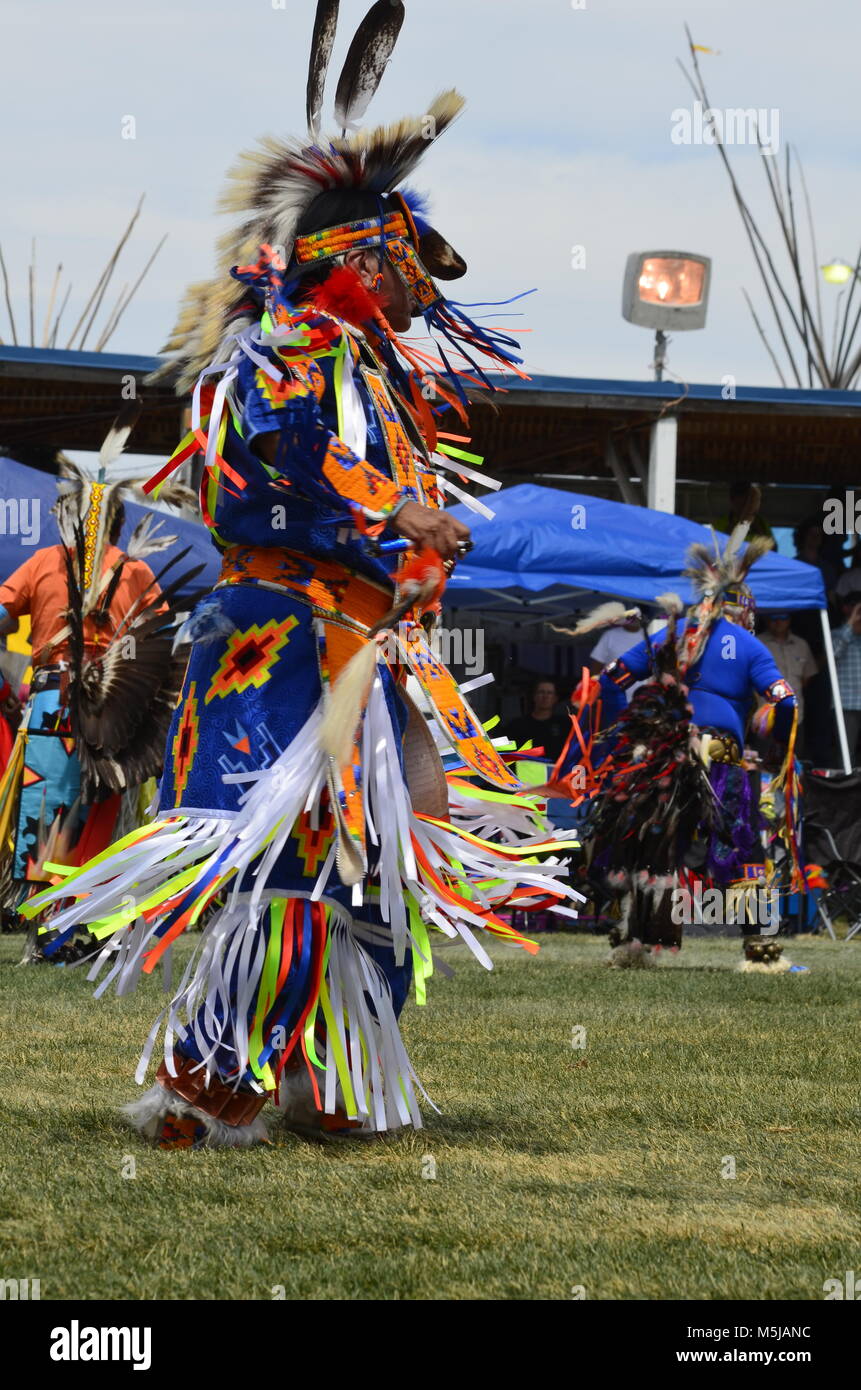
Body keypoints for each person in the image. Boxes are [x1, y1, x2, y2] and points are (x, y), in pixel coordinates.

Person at [24, 2, 576, 1149]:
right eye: (413, 264)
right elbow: (264, 479)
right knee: (287, 862)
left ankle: (332, 1077)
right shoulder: (284, 360)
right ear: (360, 255)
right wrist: (395, 507)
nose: (431, 290)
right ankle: (206, 1076)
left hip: (356, 658)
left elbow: (362, 510)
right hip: (280, 654)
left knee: (372, 869)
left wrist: (412, 555)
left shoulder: (373, 379)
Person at [552, 523, 802, 972]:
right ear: (744, 611)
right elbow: (787, 700)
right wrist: (777, 744)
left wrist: (614, 740)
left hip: (659, 759)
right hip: (720, 760)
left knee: (651, 841)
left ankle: (636, 943)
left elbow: (610, 679)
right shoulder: (749, 645)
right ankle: (760, 952)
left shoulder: (671, 633)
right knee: (740, 844)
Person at [0, 429, 192, 957]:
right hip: (113, 712)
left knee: (47, 810)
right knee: (97, 813)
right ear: (116, 522)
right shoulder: (134, 570)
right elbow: (160, 640)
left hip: (52, 705)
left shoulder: (42, 564)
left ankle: (53, 929)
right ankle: (75, 926)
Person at [758, 612, 817, 730]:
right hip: (766, 716)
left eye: (783, 617)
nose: (778, 622)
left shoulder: (801, 644)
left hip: (796, 715)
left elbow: (807, 677)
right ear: (767, 620)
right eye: (774, 617)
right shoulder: (757, 643)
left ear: (789, 619)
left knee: (795, 748)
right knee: (764, 748)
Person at [507, 677, 568, 763]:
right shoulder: (517, 725)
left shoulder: (564, 725)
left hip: (554, 774)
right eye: (541, 692)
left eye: (549, 693)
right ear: (534, 696)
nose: (545, 696)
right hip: (523, 774)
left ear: (555, 698)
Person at [830, 594, 861, 762]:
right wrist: (851, 624)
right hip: (846, 703)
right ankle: (847, 788)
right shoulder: (835, 634)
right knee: (845, 755)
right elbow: (833, 653)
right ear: (846, 609)